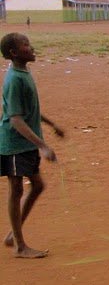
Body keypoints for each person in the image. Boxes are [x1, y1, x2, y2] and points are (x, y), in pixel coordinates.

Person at [0, 33, 64, 258]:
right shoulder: (14, 80)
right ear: (14, 53)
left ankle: (13, 234)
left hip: (26, 143)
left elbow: (29, 110)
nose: (31, 47)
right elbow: (15, 119)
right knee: (16, 190)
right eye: (26, 45)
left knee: (37, 185)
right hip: (15, 143)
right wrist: (43, 146)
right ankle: (19, 245)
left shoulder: (23, 73)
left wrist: (50, 123)